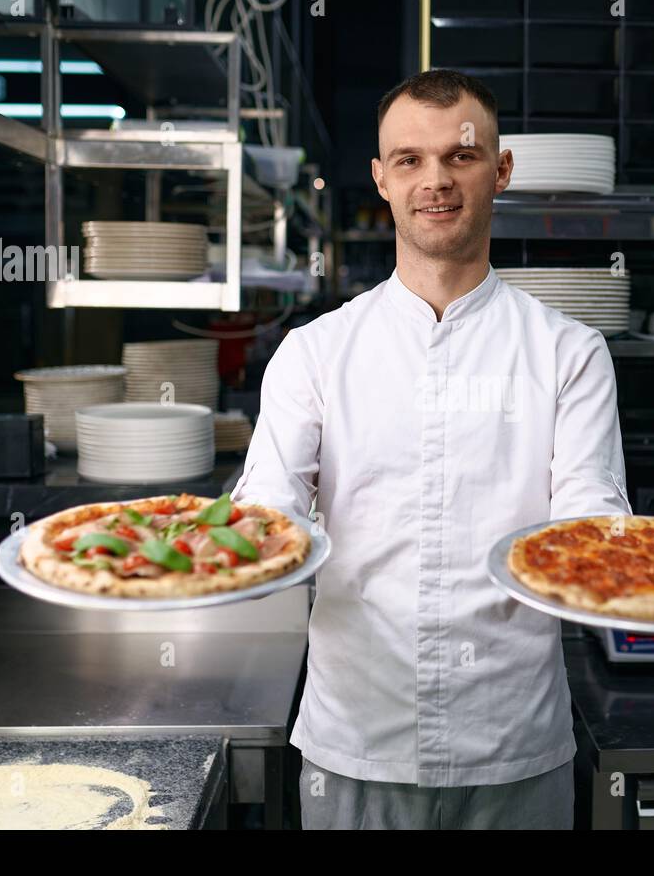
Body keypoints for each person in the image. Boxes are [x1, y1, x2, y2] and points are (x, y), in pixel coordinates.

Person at [233, 69, 630, 829]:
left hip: (516, 745)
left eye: (462, 155)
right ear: (381, 180)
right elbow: (267, 514)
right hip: (355, 743)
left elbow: (591, 528)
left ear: (501, 170)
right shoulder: (314, 353)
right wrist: (221, 548)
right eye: (410, 160)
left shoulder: (569, 353)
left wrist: (642, 573)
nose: (436, 180)